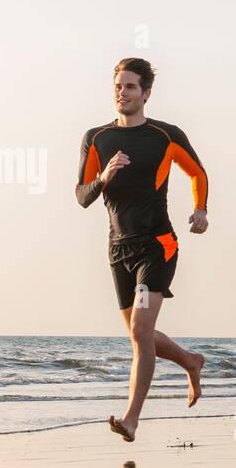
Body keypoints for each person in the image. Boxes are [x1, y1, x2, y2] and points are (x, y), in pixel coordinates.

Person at [75, 58, 209, 442]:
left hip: (157, 244)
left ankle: (131, 419)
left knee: (139, 329)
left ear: (146, 93)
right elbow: (82, 196)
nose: (123, 92)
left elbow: (198, 173)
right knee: (140, 335)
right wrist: (104, 176)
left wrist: (200, 210)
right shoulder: (96, 138)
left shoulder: (164, 136)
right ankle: (190, 361)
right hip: (118, 249)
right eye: (118, 86)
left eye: (131, 87)